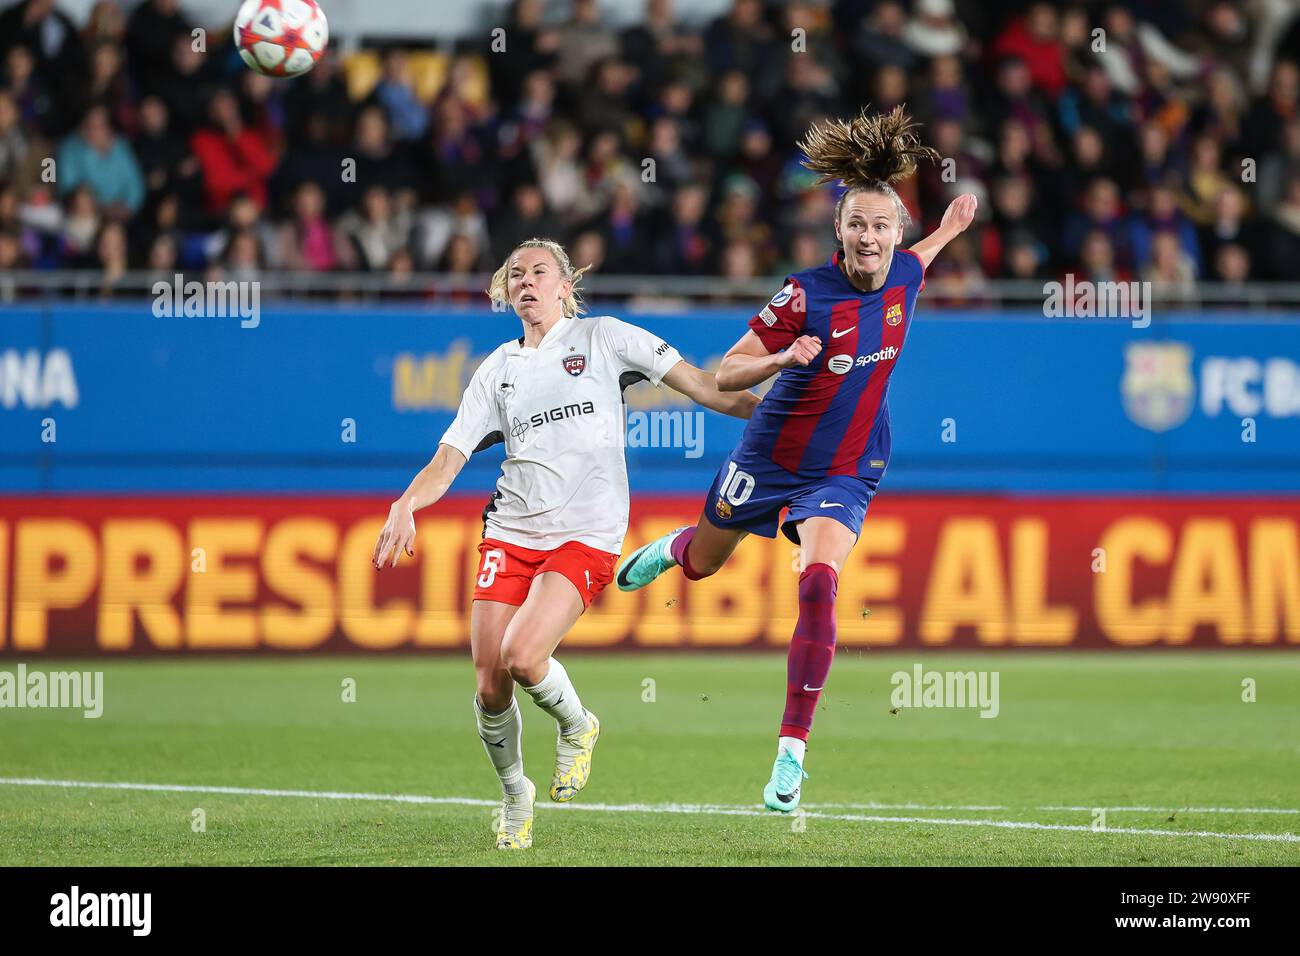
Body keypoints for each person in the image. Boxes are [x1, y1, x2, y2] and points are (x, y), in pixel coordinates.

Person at [614, 107, 977, 812]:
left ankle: (791, 753)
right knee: (704, 564)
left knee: (818, 583)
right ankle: (677, 548)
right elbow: (726, 374)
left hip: (847, 465)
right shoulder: (804, 294)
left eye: (881, 226)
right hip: (770, 456)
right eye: (857, 225)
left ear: (895, 234)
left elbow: (922, 260)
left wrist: (951, 231)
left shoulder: (905, 273)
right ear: (838, 230)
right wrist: (784, 355)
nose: (869, 237)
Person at [372, 238, 758, 849]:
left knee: (523, 656)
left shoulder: (605, 338)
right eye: (515, 274)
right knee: (488, 681)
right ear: (507, 291)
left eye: (539, 272)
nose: (526, 281)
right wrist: (404, 504)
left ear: (564, 285)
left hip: (587, 532)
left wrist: (781, 420)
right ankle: (514, 794)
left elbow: (706, 388)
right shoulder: (496, 370)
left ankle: (578, 726)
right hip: (511, 530)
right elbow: (448, 458)